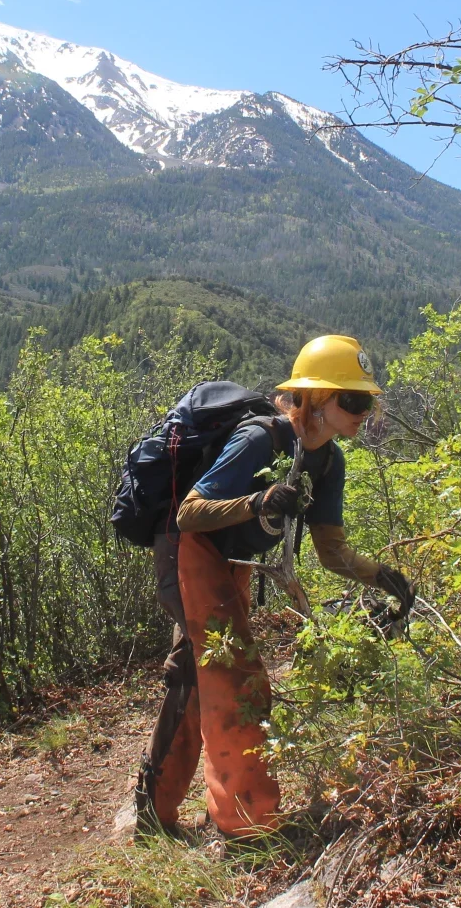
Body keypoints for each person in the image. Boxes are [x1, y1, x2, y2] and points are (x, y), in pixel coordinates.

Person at [133, 335, 417, 839]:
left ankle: (154, 811)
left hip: (234, 557)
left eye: (366, 400)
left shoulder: (330, 461)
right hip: (190, 548)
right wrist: (258, 500)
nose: (362, 412)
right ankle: (248, 824)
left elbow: (332, 551)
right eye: (352, 400)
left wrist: (383, 576)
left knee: (195, 675)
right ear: (315, 399)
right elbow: (189, 513)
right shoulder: (260, 440)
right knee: (233, 676)